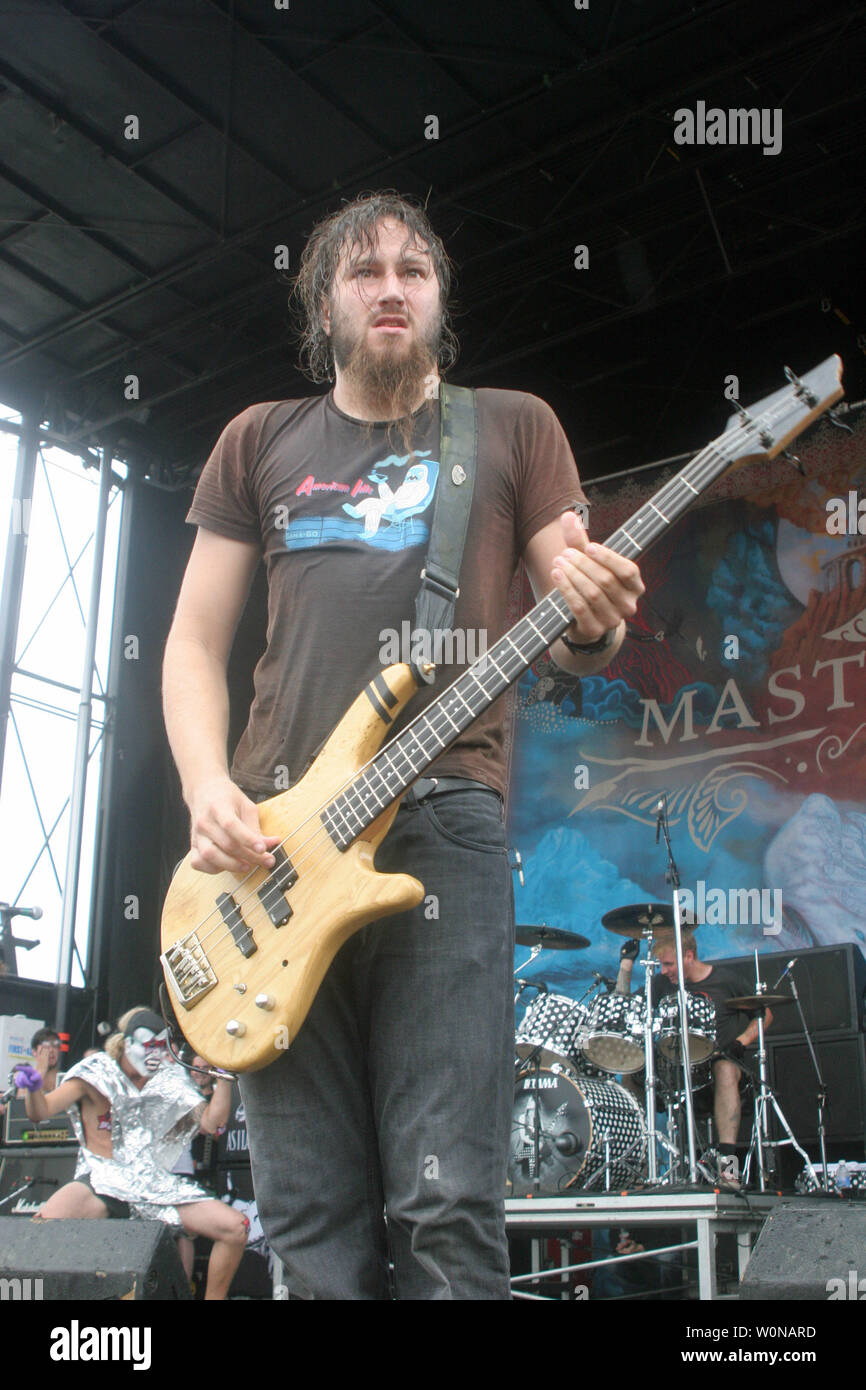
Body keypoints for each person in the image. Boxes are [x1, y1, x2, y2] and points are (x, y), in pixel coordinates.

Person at [162, 190, 645, 1299]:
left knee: (442, 1206)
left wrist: (596, 610)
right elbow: (191, 644)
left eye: (413, 270)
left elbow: (576, 634)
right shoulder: (258, 440)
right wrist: (203, 787)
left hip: (438, 823)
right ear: (322, 301)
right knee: (308, 1214)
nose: (390, 287)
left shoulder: (511, 426)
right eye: (362, 270)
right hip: (270, 848)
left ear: (437, 300)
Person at [15, 1007, 248, 1300]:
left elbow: (213, 1124)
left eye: (159, 1050)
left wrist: (224, 1074)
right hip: (101, 1182)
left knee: (235, 1228)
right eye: (147, 1047)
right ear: (126, 1044)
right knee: (38, 1234)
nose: (153, 1057)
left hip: (153, 1186)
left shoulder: (167, 1077)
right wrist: (34, 1089)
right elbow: (41, 1112)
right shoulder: (96, 1072)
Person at [616, 931, 772, 1181]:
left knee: (725, 1068)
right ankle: (641, 1165)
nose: (664, 971)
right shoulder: (660, 984)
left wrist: (740, 1043)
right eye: (661, 965)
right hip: (675, 1071)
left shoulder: (725, 980)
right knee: (631, 1075)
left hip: (715, 1069)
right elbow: (623, 1007)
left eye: (668, 964)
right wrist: (626, 965)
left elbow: (765, 1015)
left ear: (689, 956)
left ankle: (729, 1169)